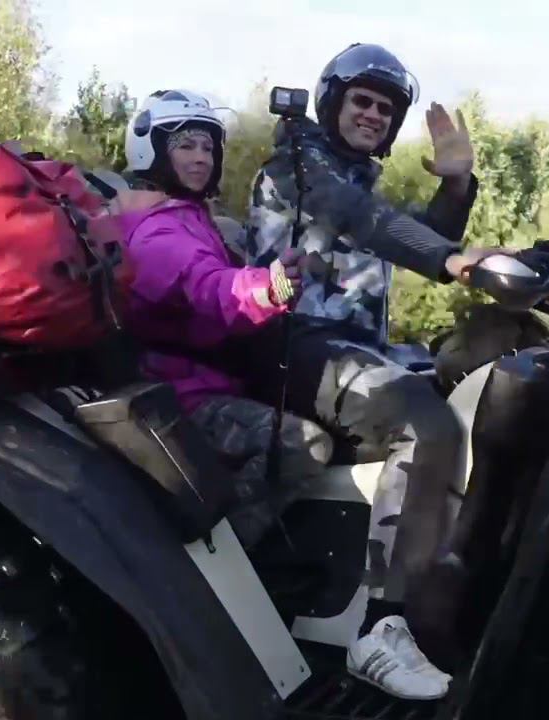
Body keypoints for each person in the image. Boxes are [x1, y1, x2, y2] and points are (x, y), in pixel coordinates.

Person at [241, 43, 501, 698]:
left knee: (479, 388)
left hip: (346, 347)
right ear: (331, 103)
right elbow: (371, 225)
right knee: (427, 423)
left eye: (386, 110)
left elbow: (410, 230)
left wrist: (457, 186)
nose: (374, 116)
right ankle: (382, 629)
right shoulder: (297, 165)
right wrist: (452, 260)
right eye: (362, 101)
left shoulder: (354, 179)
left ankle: (455, 592)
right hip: (291, 347)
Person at [113, 88, 334, 552]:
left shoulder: (185, 216)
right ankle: (217, 562)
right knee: (303, 444)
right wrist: (269, 289)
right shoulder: (157, 232)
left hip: (202, 382)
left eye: (208, 147)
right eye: (185, 146)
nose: (201, 158)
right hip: (181, 397)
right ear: (151, 150)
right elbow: (212, 288)